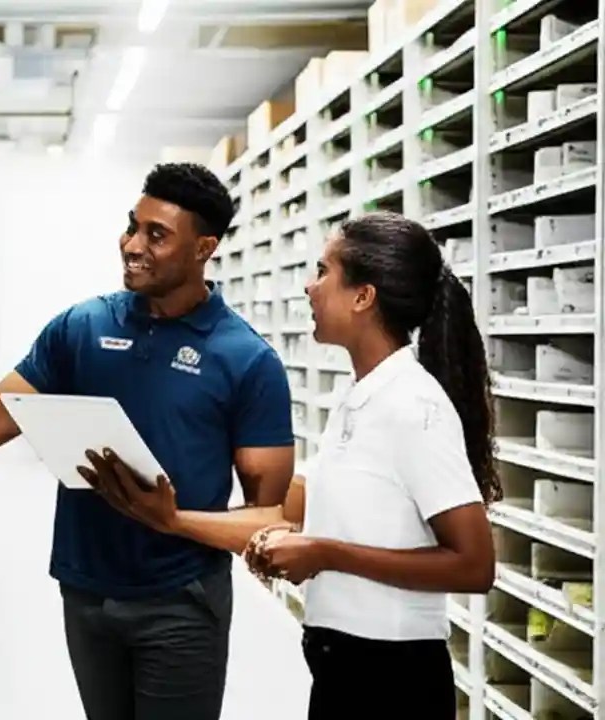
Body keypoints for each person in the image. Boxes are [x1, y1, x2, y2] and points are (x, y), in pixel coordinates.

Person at [79, 211, 500, 720]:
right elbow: (292, 509)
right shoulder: (360, 395)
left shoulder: (414, 406)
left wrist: (322, 552)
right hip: (341, 663)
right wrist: (173, 518)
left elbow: (475, 564)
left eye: (323, 272)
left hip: (394, 676)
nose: (308, 286)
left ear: (363, 297)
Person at [0, 162, 296, 720]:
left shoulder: (247, 360)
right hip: (85, 591)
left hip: (181, 600)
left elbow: (268, 521)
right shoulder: (80, 327)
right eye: (132, 226)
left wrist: (172, 519)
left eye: (157, 235)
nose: (132, 244)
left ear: (204, 247)